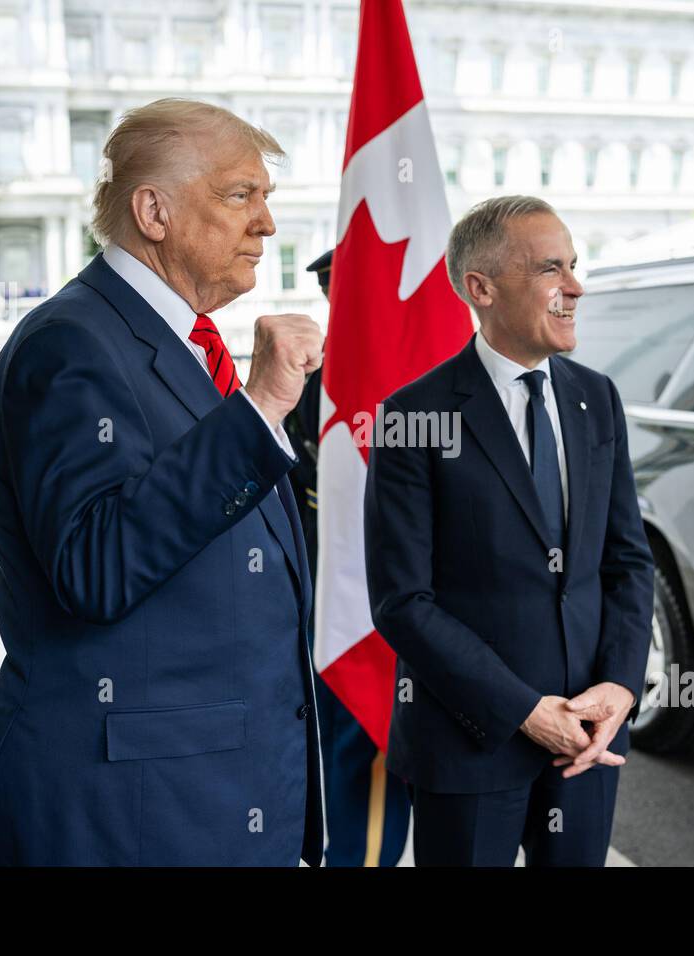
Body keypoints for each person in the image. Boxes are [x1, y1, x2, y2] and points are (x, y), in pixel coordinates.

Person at [0, 98, 324, 866]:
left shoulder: (175, 335)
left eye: (267, 200)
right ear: (153, 211)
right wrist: (259, 408)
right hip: (128, 811)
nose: (265, 223)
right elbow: (94, 566)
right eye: (240, 195)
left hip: (201, 794)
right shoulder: (71, 342)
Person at [364, 195, 655, 866]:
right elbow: (403, 602)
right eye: (552, 268)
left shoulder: (596, 397)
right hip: (470, 745)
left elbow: (627, 563)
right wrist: (526, 711)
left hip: (588, 740)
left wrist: (619, 685)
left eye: (575, 266)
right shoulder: (413, 415)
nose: (575, 287)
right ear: (482, 287)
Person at [285, 250, 411, 866]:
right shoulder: (322, 373)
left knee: (369, 747)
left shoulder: (408, 374)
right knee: (341, 738)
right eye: (337, 293)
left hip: (380, 597)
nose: (340, 303)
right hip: (330, 584)